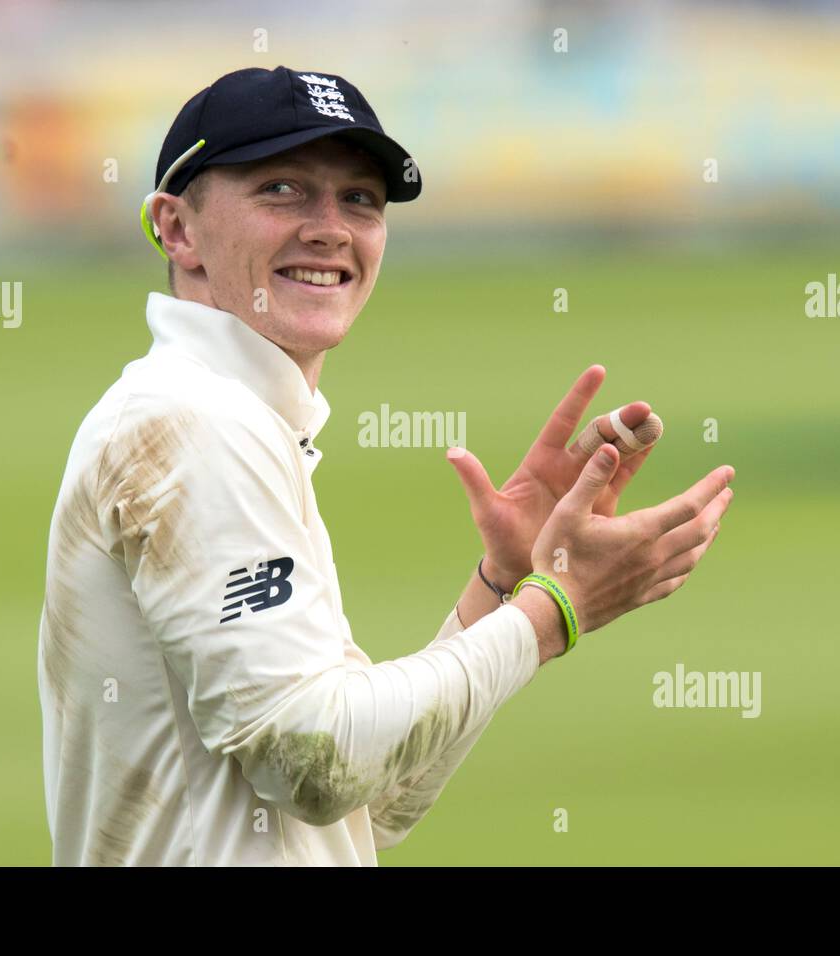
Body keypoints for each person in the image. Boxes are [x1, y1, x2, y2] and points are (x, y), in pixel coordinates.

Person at [37, 65, 735, 866]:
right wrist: (554, 611)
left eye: (360, 199)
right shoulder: (196, 422)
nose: (331, 227)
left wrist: (504, 587)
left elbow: (360, 803)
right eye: (283, 189)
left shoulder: (236, 417)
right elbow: (312, 762)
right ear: (178, 228)